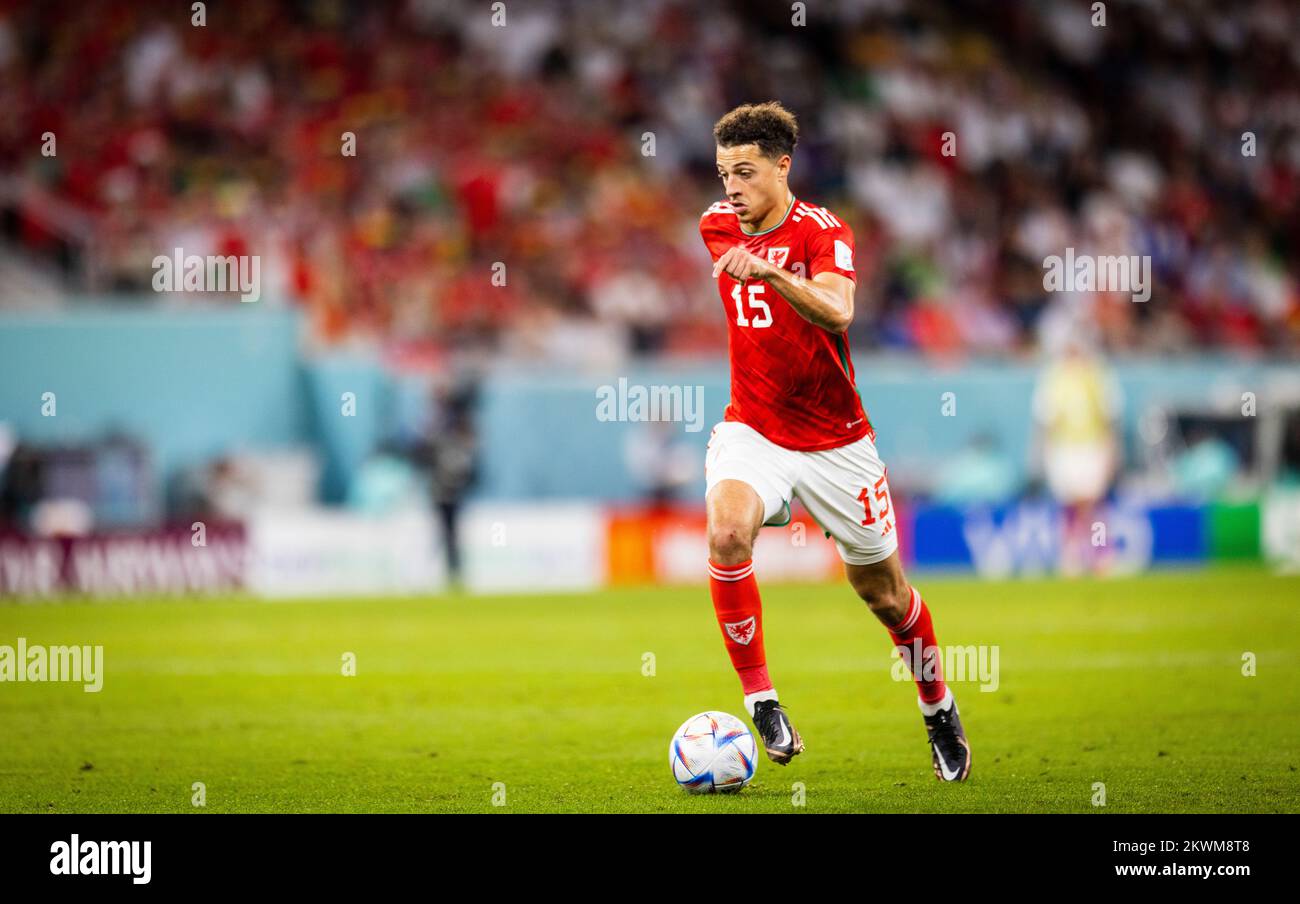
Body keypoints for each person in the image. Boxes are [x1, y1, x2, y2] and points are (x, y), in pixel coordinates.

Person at [699, 102, 970, 781]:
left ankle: (936, 703)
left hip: (836, 443)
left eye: (746, 171)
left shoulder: (824, 231)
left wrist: (773, 274)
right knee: (727, 534)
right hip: (753, 429)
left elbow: (840, 309)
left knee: (885, 595)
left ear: (782, 167)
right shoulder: (714, 226)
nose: (732, 187)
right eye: (723, 172)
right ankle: (761, 701)